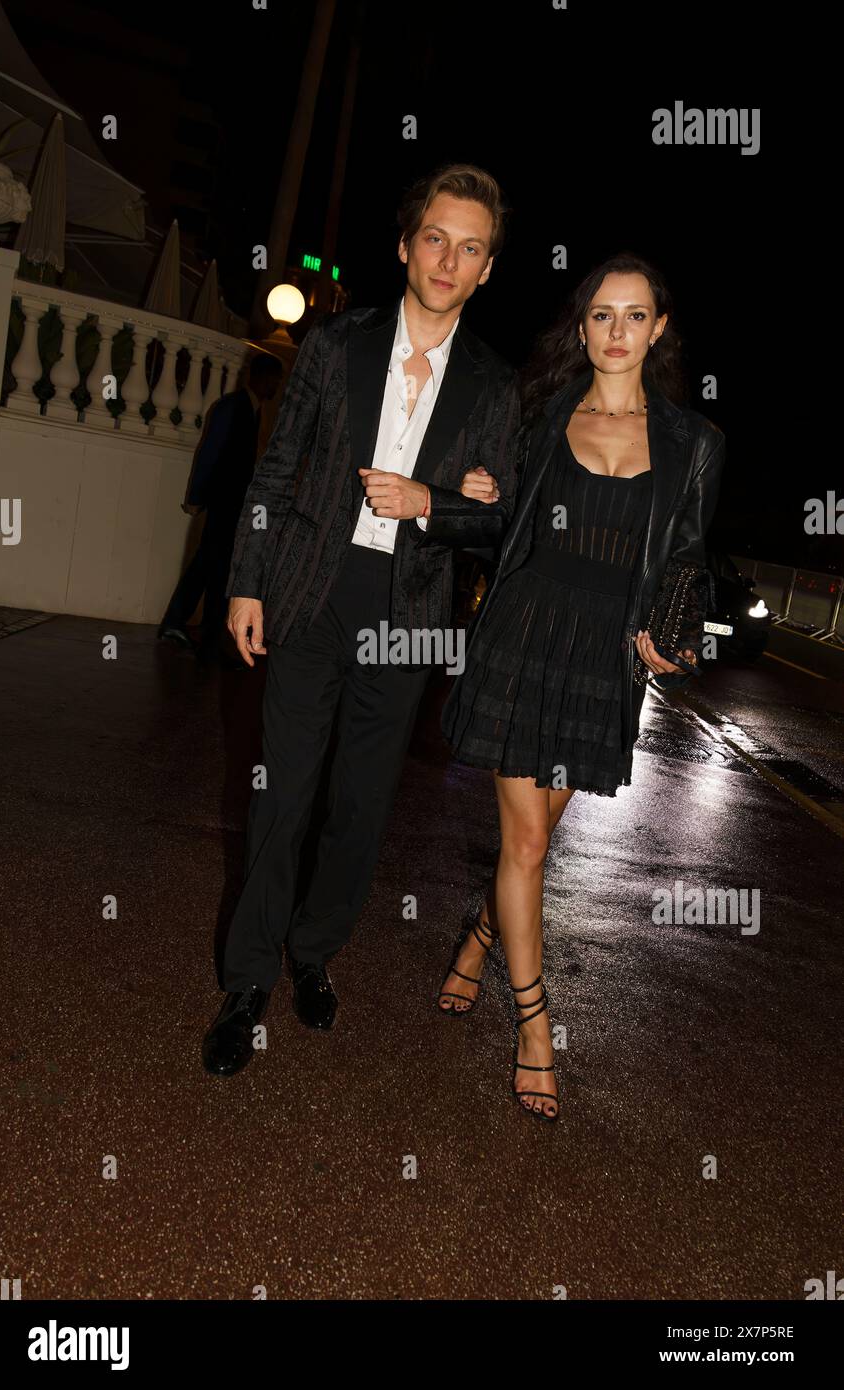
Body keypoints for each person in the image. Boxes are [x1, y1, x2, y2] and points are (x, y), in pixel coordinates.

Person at [202, 163, 522, 1078]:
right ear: (405, 246)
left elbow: (498, 522)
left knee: (359, 806)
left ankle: (314, 953)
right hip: (310, 592)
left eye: (470, 248)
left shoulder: (496, 390)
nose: (448, 260)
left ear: (487, 268)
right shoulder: (338, 345)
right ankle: (247, 979)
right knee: (281, 792)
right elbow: (275, 471)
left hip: (410, 616)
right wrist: (246, 582)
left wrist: (433, 502)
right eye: (436, 239)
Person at [437, 252, 726, 1123]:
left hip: (605, 656)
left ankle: (482, 936)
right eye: (601, 314)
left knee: (537, 840)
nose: (616, 331)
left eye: (634, 316)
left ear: (659, 328)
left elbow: (685, 558)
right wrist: (472, 492)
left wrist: (675, 635)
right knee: (524, 844)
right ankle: (534, 1026)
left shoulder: (695, 444)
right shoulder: (536, 412)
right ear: (583, 323)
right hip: (524, 636)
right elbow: (492, 519)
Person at [158, 352, 283, 664]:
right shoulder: (234, 407)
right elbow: (210, 454)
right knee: (216, 568)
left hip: (232, 504)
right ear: (262, 378)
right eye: (274, 380)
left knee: (207, 564)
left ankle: (182, 625)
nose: (276, 386)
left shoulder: (252, 410)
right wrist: (197, 496)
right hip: (225, 503)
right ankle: (207, 637)